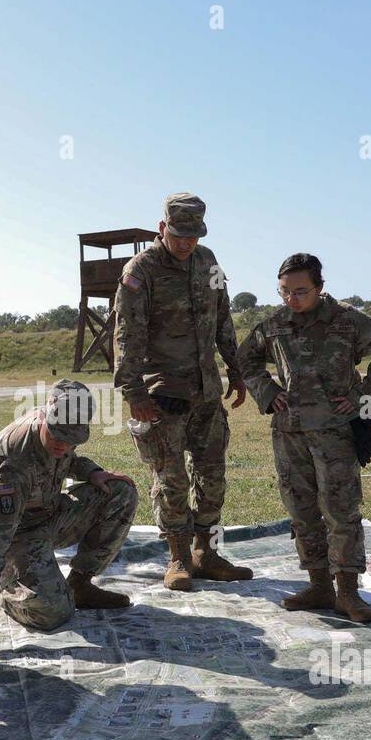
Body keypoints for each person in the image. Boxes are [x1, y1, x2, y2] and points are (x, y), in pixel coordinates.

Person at [237, 253, 371, 624]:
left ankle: (347, 591)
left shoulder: (347, 320)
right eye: (284, 292)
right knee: (301, 509)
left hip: (335, 431)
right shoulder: (275, 323)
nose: (291, 300)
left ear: (320, 287)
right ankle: (318, 585)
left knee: (341, 509)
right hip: (289, 431)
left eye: (300, 291)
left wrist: (366, 399)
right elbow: (245, 359)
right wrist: (267, 392)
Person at [112, 193, 253, 592]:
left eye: (192, 236)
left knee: (212, 475)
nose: (186, 244)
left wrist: (236, 370)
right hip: (162, 393)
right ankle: (177, 556)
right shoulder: (141, 270)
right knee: (170, 478)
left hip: (206, 391)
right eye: (178, 236)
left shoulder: (208, 262)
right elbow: (127, 336)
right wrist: (133, 391)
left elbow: (222, 317)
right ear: (163, 228)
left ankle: (205, 553)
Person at [0, 381, 139, 655]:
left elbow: (68, 459)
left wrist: (92, 472)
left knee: (120, 492)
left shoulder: (61, 433)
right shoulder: (12, 464)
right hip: (14, 535)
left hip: (47, 514)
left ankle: (79, 584)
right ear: (44, 416)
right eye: (58, 436)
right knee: (52, 614)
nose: (63, 444)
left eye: (72, 439)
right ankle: (7, 589)